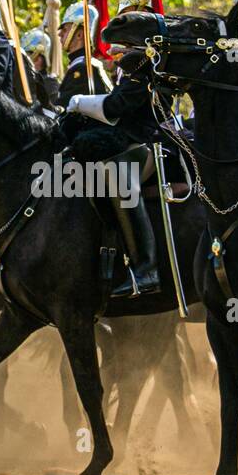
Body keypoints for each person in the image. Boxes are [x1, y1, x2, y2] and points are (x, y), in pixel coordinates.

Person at [64, 48, 165, 298]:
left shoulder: (146, 71)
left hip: (144, 142)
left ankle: (147, 268)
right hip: (126, 141)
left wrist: (80, 102)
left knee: (119, 177)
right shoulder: (130, 71)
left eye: (122, 43)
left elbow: (117, 106)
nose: (114, 49)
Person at [56, 0, 113, 104]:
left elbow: (63, 110)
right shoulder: (84, 64)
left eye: (65, 29)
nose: (60, 34)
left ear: (79, 35)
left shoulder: (83, 68)